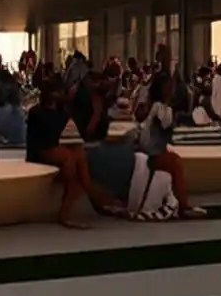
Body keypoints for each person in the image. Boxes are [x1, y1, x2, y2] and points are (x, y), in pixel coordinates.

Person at [26, 77, 124, 229]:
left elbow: (81, 133)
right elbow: (40, 144)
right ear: (52, 94)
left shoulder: (62, 112)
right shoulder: (37, 113)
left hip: (52, 150)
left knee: (79, 157)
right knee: (71, 158)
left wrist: (96, 113)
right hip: (39, 153)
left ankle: (89, 193)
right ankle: (94, 197)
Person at [135, 74, 205, 218]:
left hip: (152, 149)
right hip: (151, 153)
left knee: (174, 161)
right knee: (176, 163)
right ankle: (183, 205)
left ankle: (179, 201)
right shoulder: (158, 107)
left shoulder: (158, 106)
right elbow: (165, 124)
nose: (171, 90)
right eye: (168, 88)